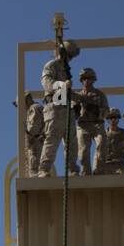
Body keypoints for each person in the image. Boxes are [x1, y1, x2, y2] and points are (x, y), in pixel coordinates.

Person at [37, 39, 82, 176]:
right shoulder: (52, 65)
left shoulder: (66, 70)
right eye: (69, 56)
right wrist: (62, 85)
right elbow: (46, 83)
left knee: (72, 143)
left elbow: (66, 92)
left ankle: (72, 168)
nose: (70, 59)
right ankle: (44, 169)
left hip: (66, 107)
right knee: (52, 140)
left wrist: (79, 98)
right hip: (55, 107)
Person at [74, 68, 109, 174]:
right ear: (81, 80)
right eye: (84, 78)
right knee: (83, 153)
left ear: (93, 80)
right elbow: (72, 114)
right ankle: (86, 173)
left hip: (97, 124)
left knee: (101, 145)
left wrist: (98, 112)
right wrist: (76, 110)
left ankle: (99, 170)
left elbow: (106, 110)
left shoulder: (100, 95)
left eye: (89, 78)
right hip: (83, 126)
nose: (87, 81)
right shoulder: (77, 96)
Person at [94, 108, 124, 175]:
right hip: (105, 166)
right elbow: (97, 153)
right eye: (110, 118)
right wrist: (96, 168)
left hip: (120, 166)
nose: (113, 120)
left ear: (118, 119)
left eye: (115, 118)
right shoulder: (102, 135)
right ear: (107, 120)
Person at [23, 92, 45, 174]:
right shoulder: (37, 107)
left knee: (34, 169)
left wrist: (30, 138)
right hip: (39, 140)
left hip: (36, 141)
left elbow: (33, 127)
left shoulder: (34, 108)